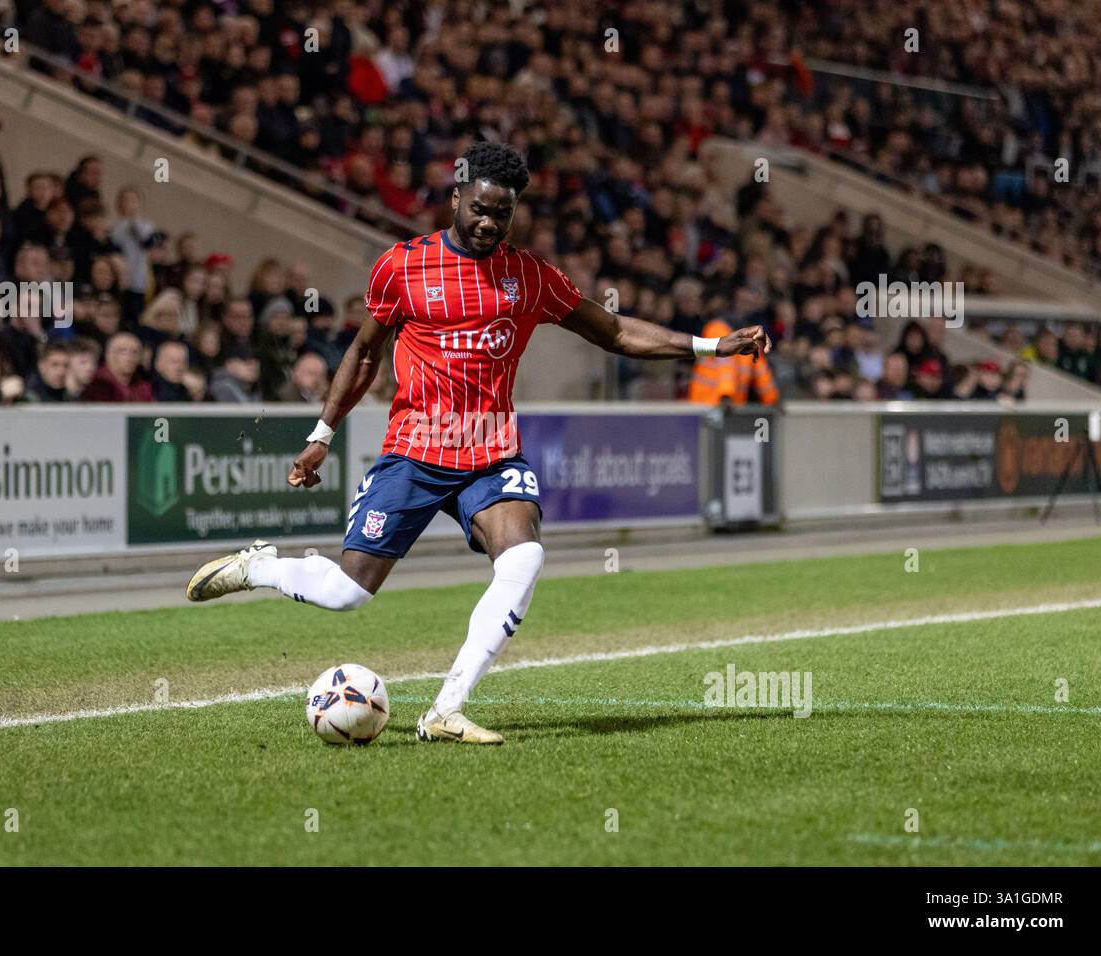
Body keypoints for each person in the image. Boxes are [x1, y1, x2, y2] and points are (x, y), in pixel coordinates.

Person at [185, 142, 769, 744]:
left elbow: (615, 331)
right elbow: (363, 353)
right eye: (481, 209)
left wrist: (711, 347)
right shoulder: (403, 266)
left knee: (524, 556)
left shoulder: (531, 277)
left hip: (491, 452)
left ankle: (444, 711)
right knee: (346, 592)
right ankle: (260, 567)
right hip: (415, 448)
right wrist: (322, 435)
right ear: (457, 199)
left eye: (504, 214)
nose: (490, 222)